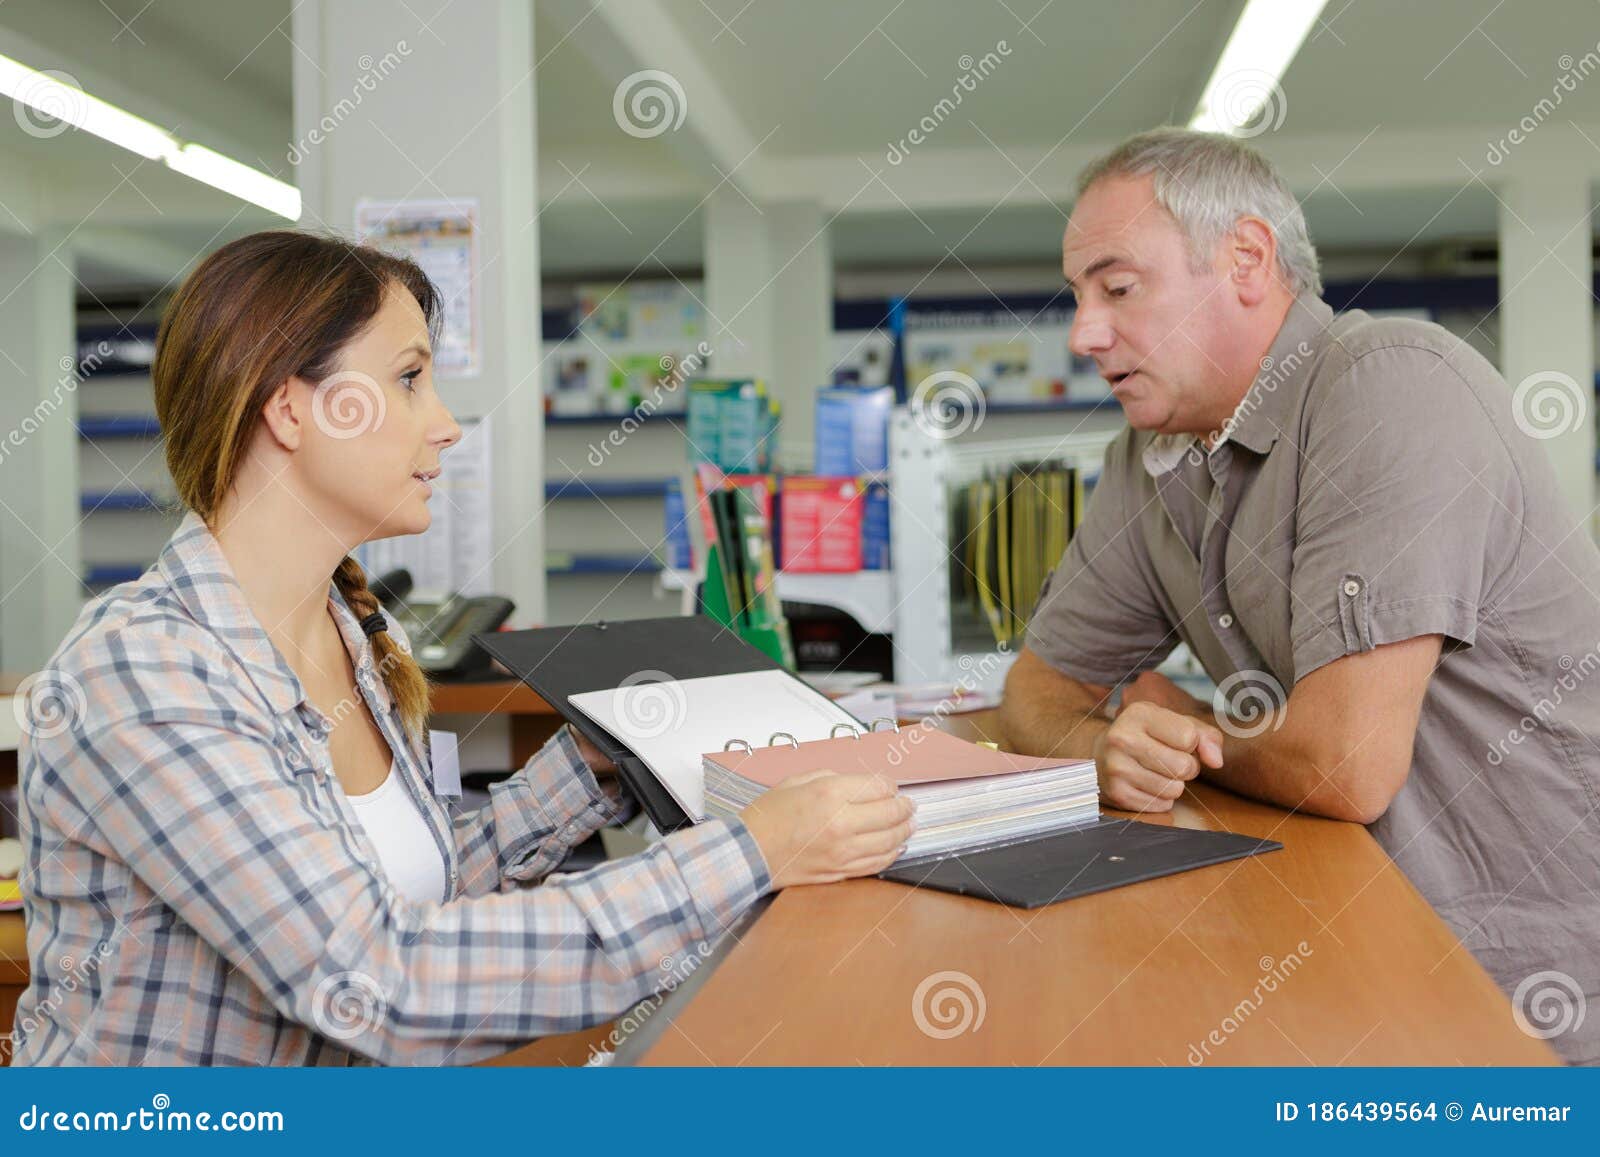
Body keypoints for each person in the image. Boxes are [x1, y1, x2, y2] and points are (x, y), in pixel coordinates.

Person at [12, 231, 914, 1066]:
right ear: (289, 408)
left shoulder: (356, 633)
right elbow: (379, 972)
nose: (445, 424)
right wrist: (752, 853)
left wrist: (597, 760)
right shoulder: (146, 671)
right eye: (409, 379)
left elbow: (411, 891)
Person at [999, 128, 1599, 1065]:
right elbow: (1035, 691)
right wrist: (1110, 748)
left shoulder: (1393, 386)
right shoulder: (1148, 459)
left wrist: (1191, 733)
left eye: (1118, 289)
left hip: (1532, 982)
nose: (1084, 332)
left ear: (1246, 259)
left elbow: (1348, 765)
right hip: (1356, 940)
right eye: (1078, 297)